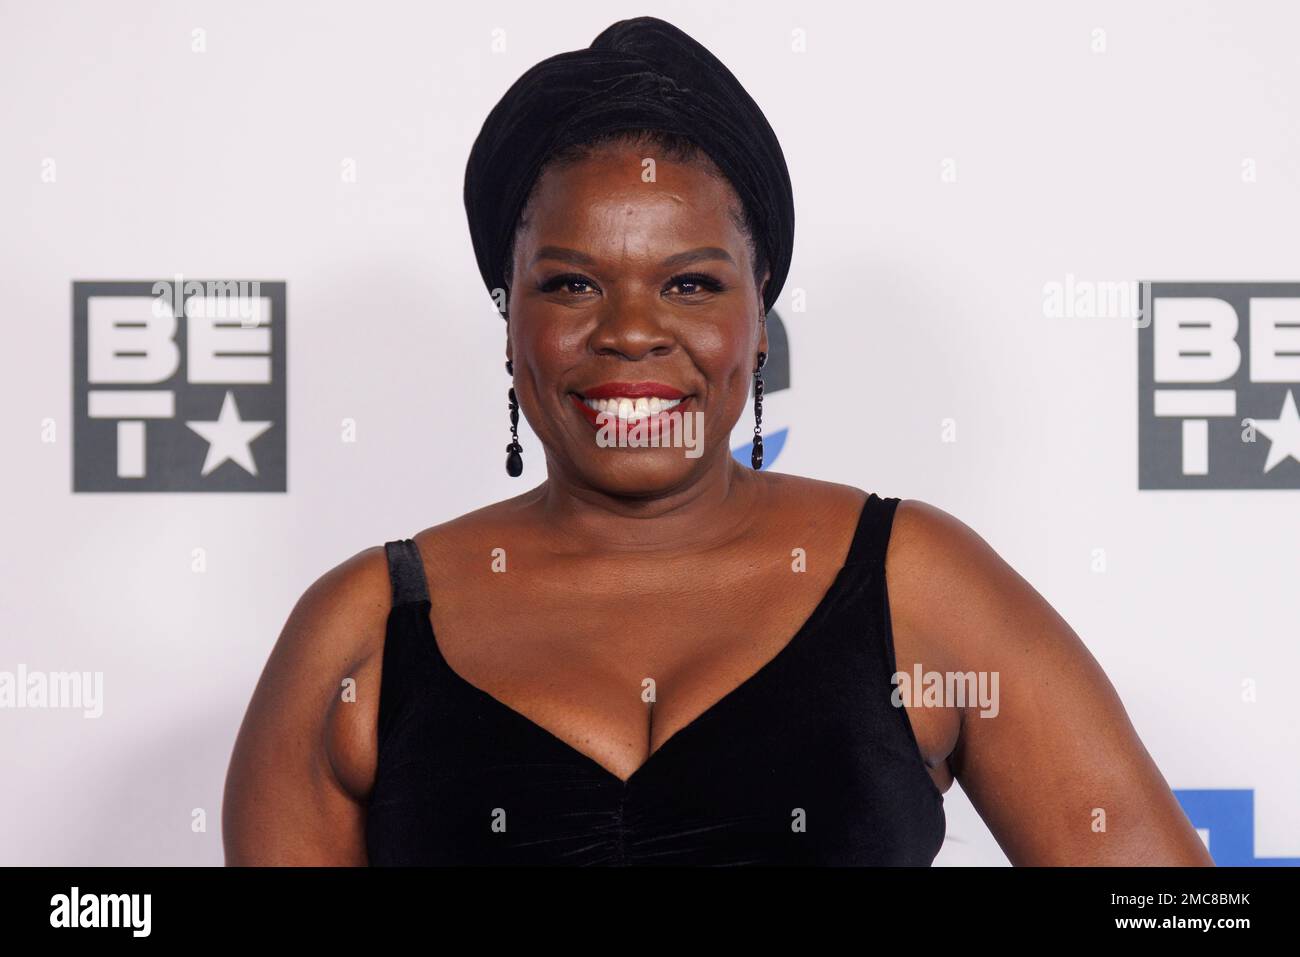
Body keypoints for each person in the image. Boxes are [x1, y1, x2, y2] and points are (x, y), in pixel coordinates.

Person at [222, 16, 1213, 866]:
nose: (631, 331)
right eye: (569, 284)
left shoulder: (919, 585)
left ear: (759, 316)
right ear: (508, 316)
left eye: (691, 283)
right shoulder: (362, 631)